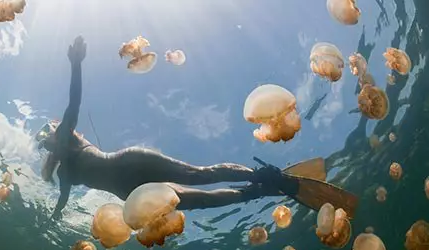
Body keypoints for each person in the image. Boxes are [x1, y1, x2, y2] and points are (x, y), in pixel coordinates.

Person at [37, 36, 301, 220]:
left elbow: (74, 103)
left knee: (197, 175)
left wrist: (75, 64)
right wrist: (53, 218)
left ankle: (260, 175)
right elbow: (61, 201)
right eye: (44, 133)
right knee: (196, 201)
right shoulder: (65, 176)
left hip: (130, 163)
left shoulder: (66, 137)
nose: (48, 131)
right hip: (130, 193)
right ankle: (254, 193)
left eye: (48, 128)